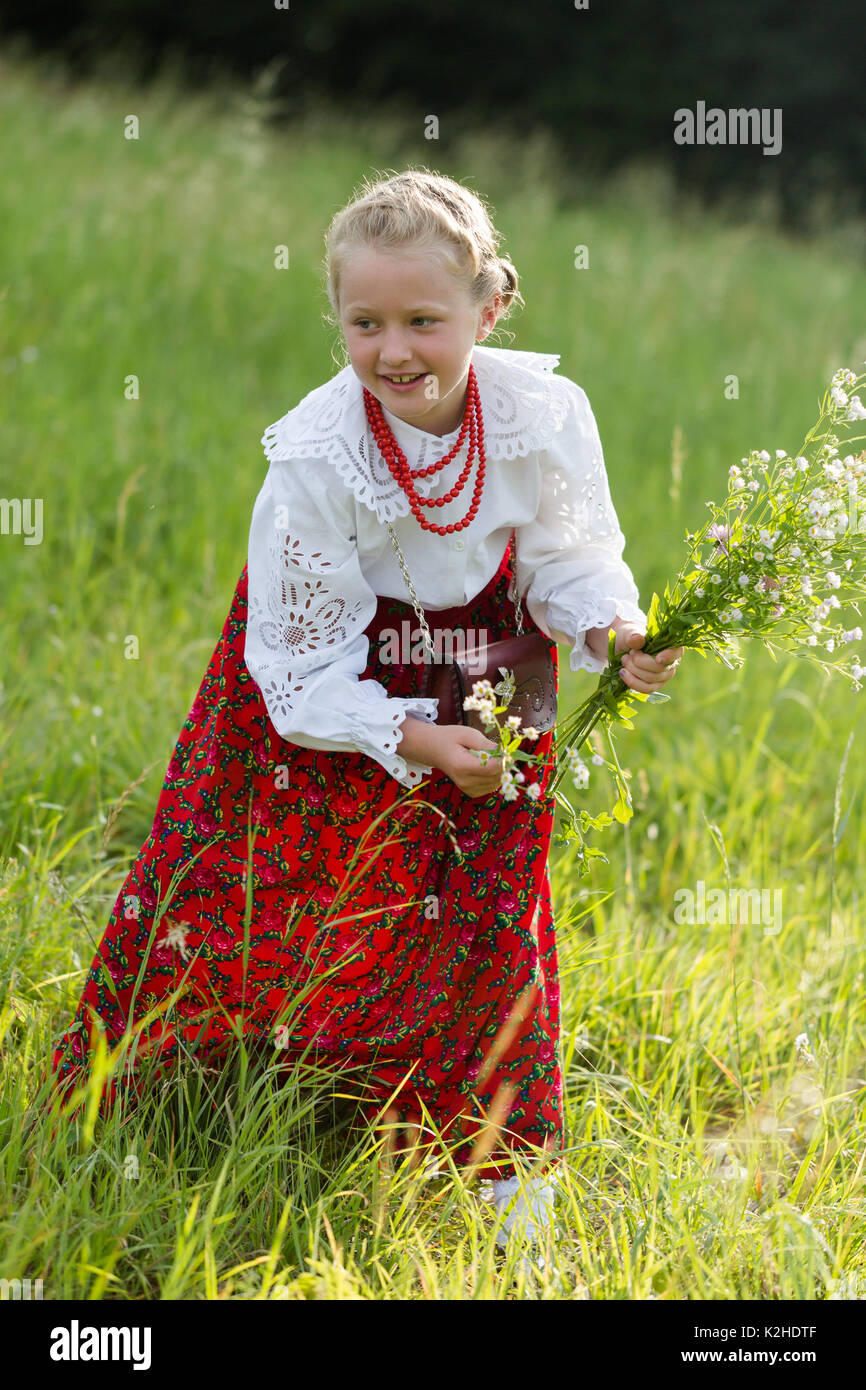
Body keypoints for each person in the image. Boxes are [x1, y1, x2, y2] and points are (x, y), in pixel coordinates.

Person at [49, 167, 684, 1258]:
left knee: (487, 915)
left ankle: (504, 1180)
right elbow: (296, 671)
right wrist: (409, 736)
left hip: (488, 666)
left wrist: (611, 636)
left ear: (488, 307)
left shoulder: (542, 414)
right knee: (255, 897)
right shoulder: (315, 453)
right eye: (365, 322)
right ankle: (147, 1115)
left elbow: (571, 558)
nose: (394, 349)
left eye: (424, 320)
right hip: (327, 683)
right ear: (337, 320)